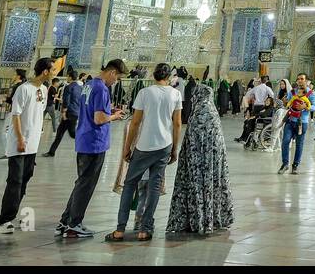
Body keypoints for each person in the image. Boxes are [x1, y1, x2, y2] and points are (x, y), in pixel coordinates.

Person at [107, 62, 182, 243]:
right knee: (154, 187)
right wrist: (174, 149)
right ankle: (145, 229)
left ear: (154, 76)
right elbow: (177, 123)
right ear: (169, 77)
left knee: (130, 184)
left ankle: (120, 230)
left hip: (144, 145)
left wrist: (127, 147)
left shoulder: (145, 93)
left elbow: (135, 123)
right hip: (164, 144)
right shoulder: (175, 94)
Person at [57, 58, 127, 238]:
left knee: (81, 182)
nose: (116, 81)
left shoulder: (89, 84)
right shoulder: (102, 88)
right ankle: (74, 224)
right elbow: (99, 119)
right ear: (112, 72)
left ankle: (66, 220)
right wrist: (115, 116)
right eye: (117, 78)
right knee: (86, 185)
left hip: (84, 139)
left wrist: (108, 111)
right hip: (95, 142)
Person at [166, 83, 235, 234]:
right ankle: (213, 219)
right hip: (213, 165)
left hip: (197, 165)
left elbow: (191, 141)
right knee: (212, 186)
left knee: (197, 186)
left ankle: (197, 220)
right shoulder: (213, 113)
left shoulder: (197, 113)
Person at [0, 58, 53, 233]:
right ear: (45, 71)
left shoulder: (43, 89)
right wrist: (20, 139)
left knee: (24, 180)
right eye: (53, 70)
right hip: (19, 143)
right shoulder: (24, 89)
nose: (55, 72)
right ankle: (4, 220)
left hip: (32, 145)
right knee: (15, 180)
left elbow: (38, 116)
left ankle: (12, 214)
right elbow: (16, 115)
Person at [278, 73, 312, 174]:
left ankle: (295, 165)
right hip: (290, 120)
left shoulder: (311, 93)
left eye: (302, 79)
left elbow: (314, 106)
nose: (300, 81)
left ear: (306, 81)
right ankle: (285, 164)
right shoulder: (292, 92)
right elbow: (287, 104)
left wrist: (305, 107)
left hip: (302, 123)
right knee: (285, 141)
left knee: (299, 144)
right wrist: (284, 102)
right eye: (298, 79)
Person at [44, 71, 82, 157]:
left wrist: (64, 113)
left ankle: (86, 140)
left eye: (68, 76)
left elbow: (66, 101)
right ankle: (51, 152)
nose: (67, 78)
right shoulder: (80, 88)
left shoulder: (68, 87)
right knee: (60, 132)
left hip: (69, 113)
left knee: (71, 133)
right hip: (75, 112)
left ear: (70, 77)